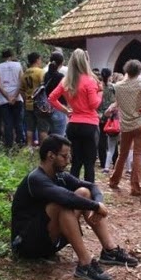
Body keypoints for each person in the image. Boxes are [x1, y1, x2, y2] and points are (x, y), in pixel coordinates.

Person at [10, 135, 138, 280]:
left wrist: (98, 203)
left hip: (48, 239)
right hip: (27, 245)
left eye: (69, 155)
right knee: (62, 204)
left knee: (83, 192)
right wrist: (95, 206)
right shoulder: (36, 179)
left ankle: (110, 250)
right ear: (51, 156)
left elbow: (92, 186)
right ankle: (85, 264)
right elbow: (64, 197)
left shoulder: (60, 176)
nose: (68, 160)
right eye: (64, 156)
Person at [48, 49, 102, 183]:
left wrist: (66, 110)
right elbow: (94, 104)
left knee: (76, 162)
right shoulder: (90, 80)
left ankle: (72, 191)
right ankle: (89, 194)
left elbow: (51, 98)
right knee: (89, 163)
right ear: (85, 62)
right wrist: (100, 93)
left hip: (73, 124)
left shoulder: (66, 81)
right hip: (89, 124)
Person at [107, 60, 141, 196]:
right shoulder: (140, 83)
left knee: (122, 154)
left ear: (126, 71)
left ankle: (114, 181)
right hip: (140, 123)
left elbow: (117, 103)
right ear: (139, 71)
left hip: (126, 124)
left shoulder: (117, 86)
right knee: (137, 155)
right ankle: (135, 188)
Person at [0, 49, 24, 148]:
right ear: (12, 55)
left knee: (8, 123)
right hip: (17, 98)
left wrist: (7, 97)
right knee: (18, 122)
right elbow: (21, 82)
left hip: (3, 99)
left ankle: (9, 145)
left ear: (2, 57)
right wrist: (15, 96)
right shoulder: (18, 65)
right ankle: (20, 143)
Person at [20, 52, 50, 148]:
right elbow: (44, 86)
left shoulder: (25, 74)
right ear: (37, 60)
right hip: (40, 104)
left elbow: (22, 90)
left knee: (30, 127)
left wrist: (26, 100)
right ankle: (43, 148)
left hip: (29, 103)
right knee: (43, 128)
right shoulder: (40, 72)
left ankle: (29, 146)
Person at [97, 69, 117, 172]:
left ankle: (103, 161)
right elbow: (116, 99)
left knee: (102, 138)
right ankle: (114, 160)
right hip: (111, 114)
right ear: (110, 75)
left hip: (99, 115)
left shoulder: (98, 86)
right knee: (113, 137)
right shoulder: (113, 87)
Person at [45, 52, 68, 136]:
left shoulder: (46, 75)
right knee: (59, 137)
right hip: (59, 108)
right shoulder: (60, 76)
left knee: (50, 136)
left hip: (47, 108)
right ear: (62, 63)